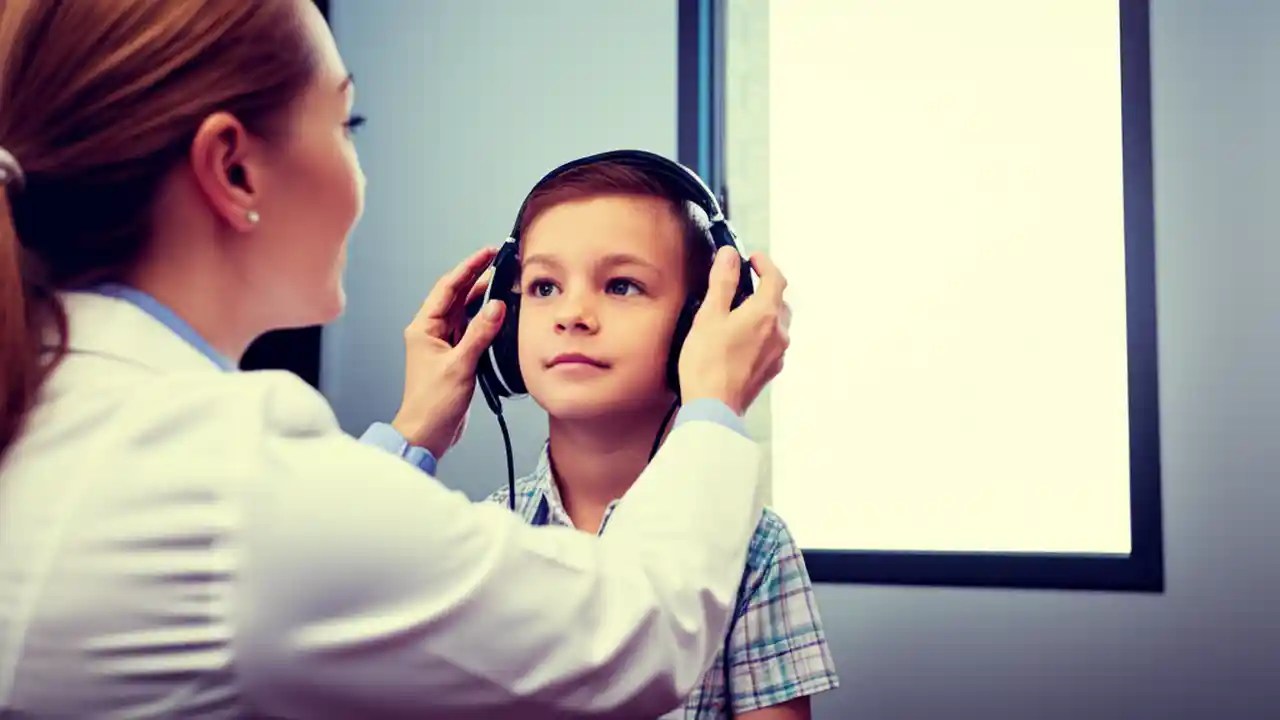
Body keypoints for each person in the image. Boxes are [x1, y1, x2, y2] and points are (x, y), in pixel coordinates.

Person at [0, 1, 793, 718]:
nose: (359, 173)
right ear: (235, 169)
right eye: (349, 125)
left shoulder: (75, 405)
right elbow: (641, 635)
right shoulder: (224, 470)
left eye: (622, 285)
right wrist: (716, 409)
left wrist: (412, 432)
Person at [485, 157, 837, 719]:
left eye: (622, 285)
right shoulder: (476, 541)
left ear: (698, 324)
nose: (572, 314)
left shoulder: (754, 548)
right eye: (544, 286)